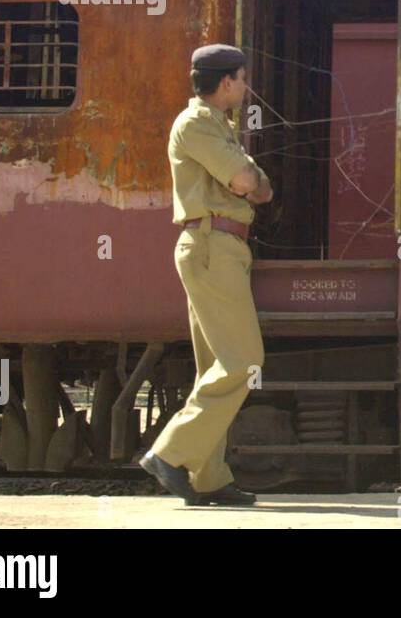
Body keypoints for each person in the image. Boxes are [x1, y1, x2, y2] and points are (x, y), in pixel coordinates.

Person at [139, 43, 273, 506]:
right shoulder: (196, 123)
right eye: (241, 77)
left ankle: (208, 477)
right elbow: (247, 183)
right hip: (212, 246)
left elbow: (259, 188)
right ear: (225, 82)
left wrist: (251, 179)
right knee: (244, 360)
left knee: (212, 367)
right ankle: (170, 453)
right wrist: (250, 178)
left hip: (221, 247)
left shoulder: (218, 126)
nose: (246, 86)